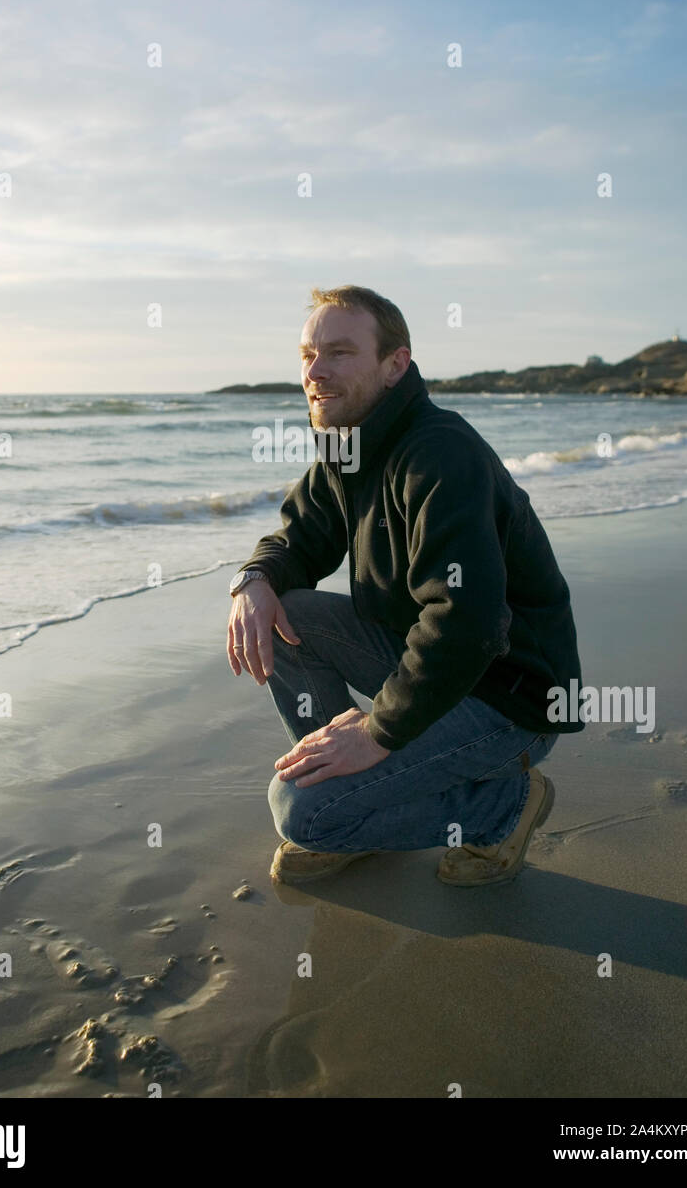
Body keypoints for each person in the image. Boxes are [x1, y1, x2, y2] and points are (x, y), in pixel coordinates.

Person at [227, 286, 584, 887]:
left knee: (301, 814)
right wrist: (254, 579)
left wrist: (377, 732)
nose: (315, 372)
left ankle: (504, 808)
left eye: (339, 353)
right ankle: (361, 799)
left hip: (508, 694)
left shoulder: (439, 454)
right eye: (307, 355)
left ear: (396, 364)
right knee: (283, 612)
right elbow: (299, 538)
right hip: (434, 665)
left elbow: (466, 620)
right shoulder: (350, 444)